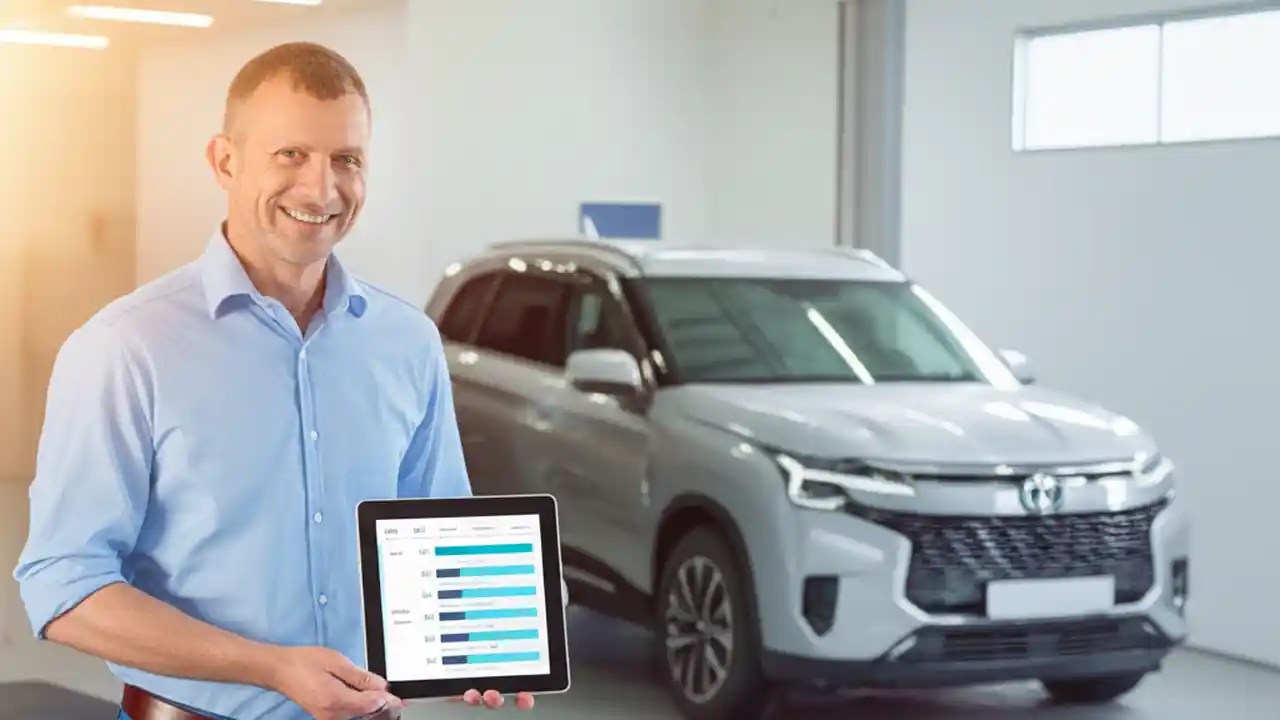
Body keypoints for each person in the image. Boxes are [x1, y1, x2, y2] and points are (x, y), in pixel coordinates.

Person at [12, 42, 535, 719]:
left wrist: (493, 631)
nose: (322, 189)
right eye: (291, 154)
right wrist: (268, 668)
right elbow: (63, 587)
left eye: (346, 159)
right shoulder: (124, 348)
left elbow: (436, 539)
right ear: (225, 161)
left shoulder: (406, 342)